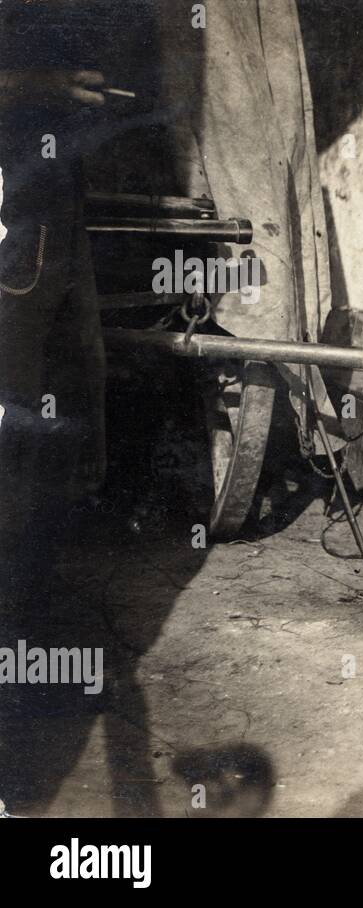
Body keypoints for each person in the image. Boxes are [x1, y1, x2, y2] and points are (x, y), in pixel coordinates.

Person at [0, 4, 109, 605]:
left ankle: (27, 585)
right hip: (10, 231)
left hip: (48, 224)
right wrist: (34, 85)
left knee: (61, 400)